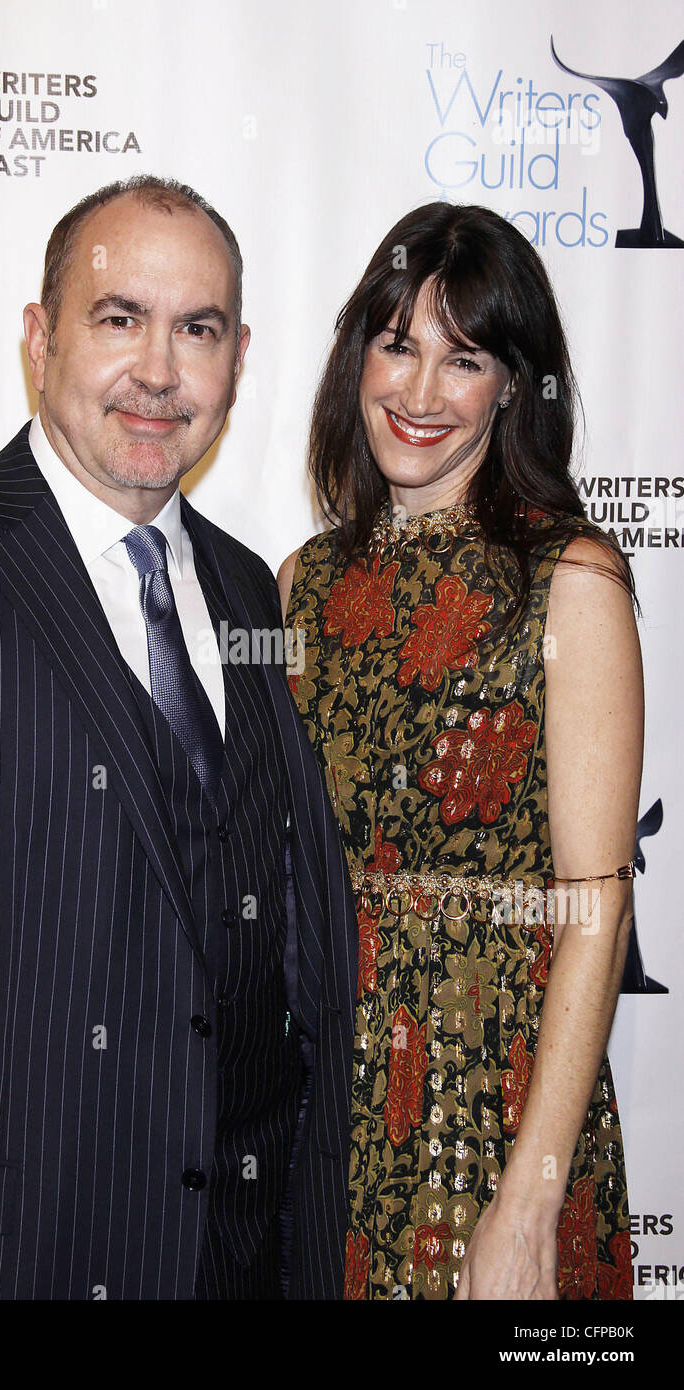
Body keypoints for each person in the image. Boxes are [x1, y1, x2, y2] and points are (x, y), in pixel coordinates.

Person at [0, 175, 357, 1301]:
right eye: (119, 319)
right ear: (38, 337)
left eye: (195, 329)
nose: (158, 370)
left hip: (232, 1263)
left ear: (238, 357)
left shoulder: (253, 592)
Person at [278, 202, 643, 1301]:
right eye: (396, 345)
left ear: (510, 384)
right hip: (322, 1102)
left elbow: (593, 905)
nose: (419, 391)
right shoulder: (300, 582)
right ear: (358, 356)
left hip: (494, 1103)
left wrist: (528, 1196)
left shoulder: (567, 580)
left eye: (463, 357)